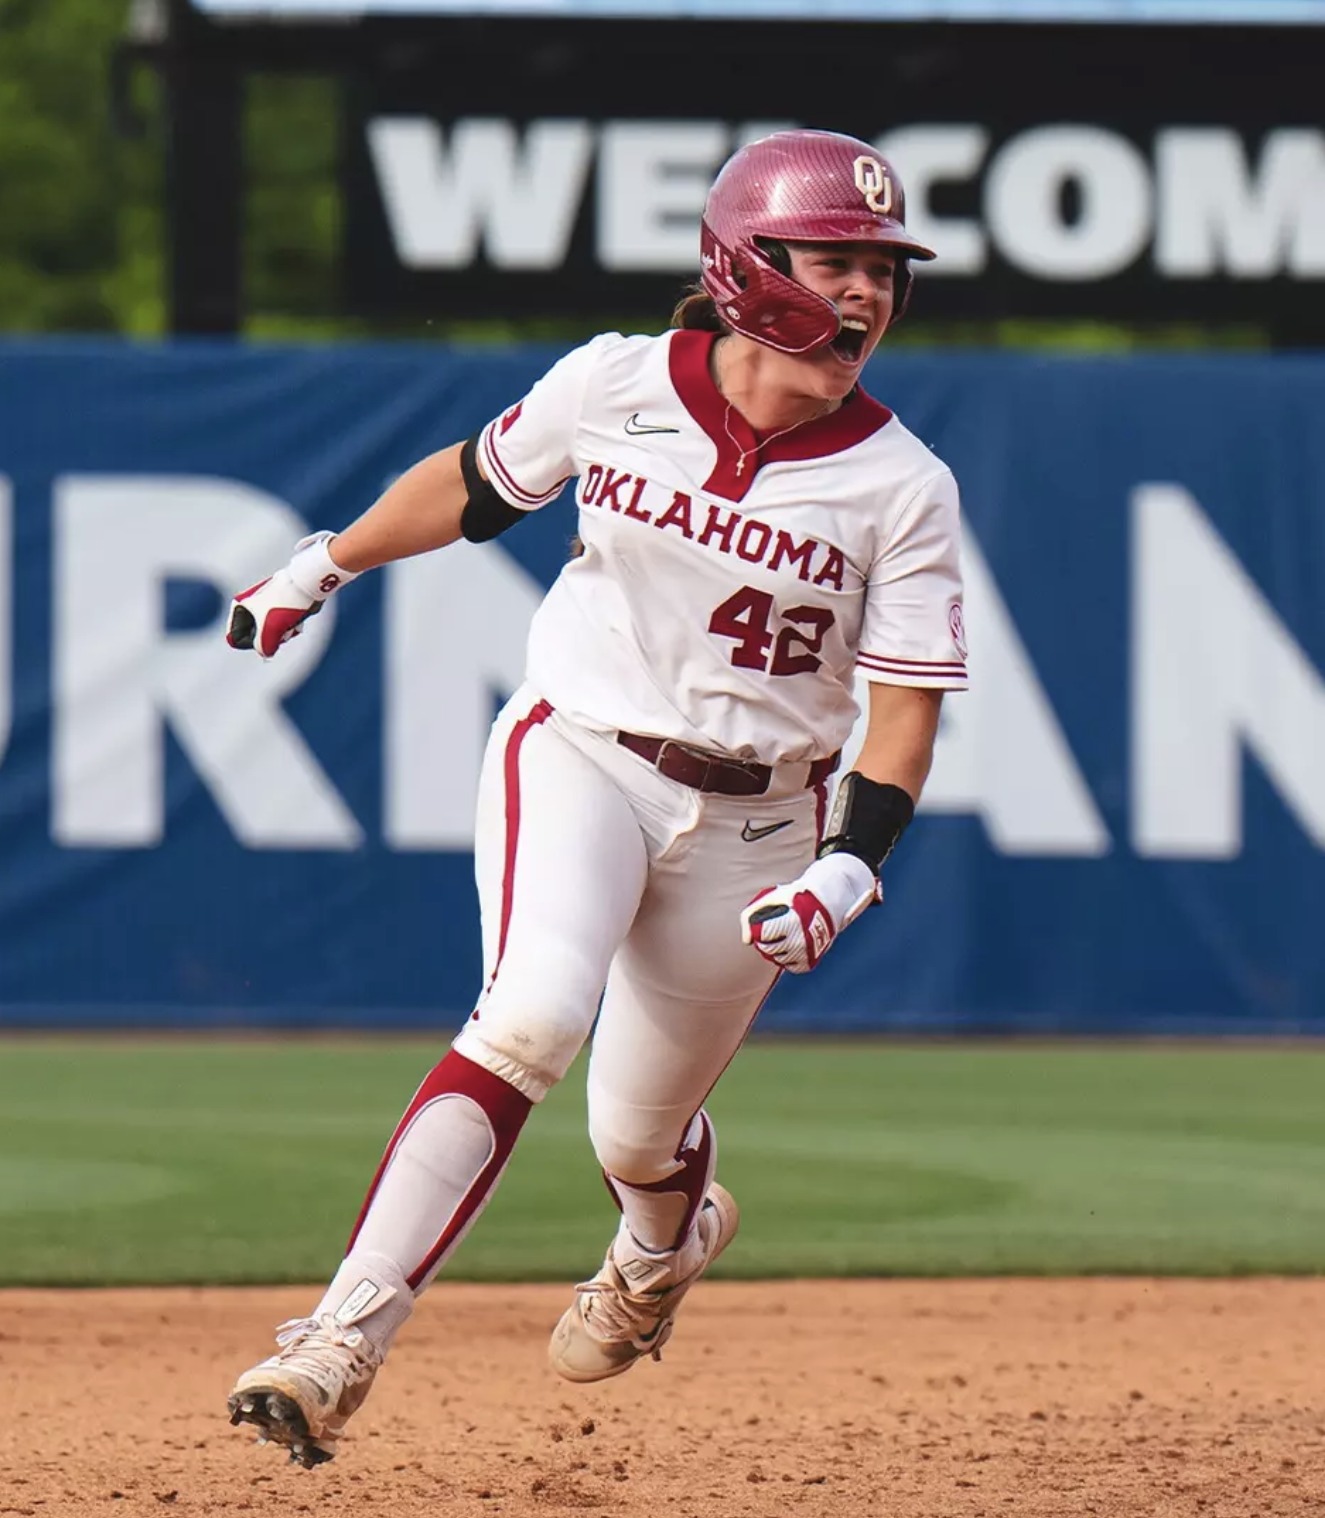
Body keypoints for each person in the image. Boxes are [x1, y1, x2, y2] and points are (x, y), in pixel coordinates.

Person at [221, 128, 968, 1466]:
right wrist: (322, 564)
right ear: (746, 265)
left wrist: (852, 865)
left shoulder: (901, 484)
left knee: (636, 1134)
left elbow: (905, 709)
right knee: (529, 1017)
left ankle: (660, 1244)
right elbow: (473, 485)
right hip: (585, 750)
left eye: (884, 267)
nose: (868, 290)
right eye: (836, 260)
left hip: (759, 819)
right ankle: (338, 1339)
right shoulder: (618, 380)